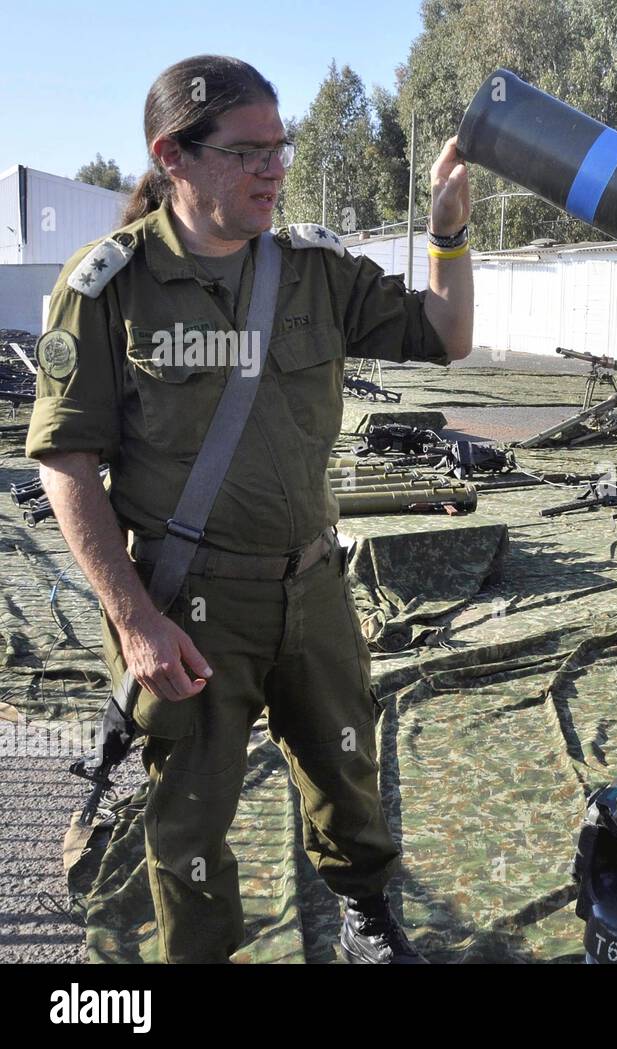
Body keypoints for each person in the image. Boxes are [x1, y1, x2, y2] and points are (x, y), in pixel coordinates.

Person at [26, 54, 473, 963]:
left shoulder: (311, 270)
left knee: (348, 768)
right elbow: (66, 463)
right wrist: (136, 619)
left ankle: (366, 914)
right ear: (174, 156)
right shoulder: (108, 286)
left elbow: (447, 335)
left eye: (282, 146)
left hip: (312, 588)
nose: (274, 168)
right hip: (186, 608)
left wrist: (448, 236)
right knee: (188, 820)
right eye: (247, 151)